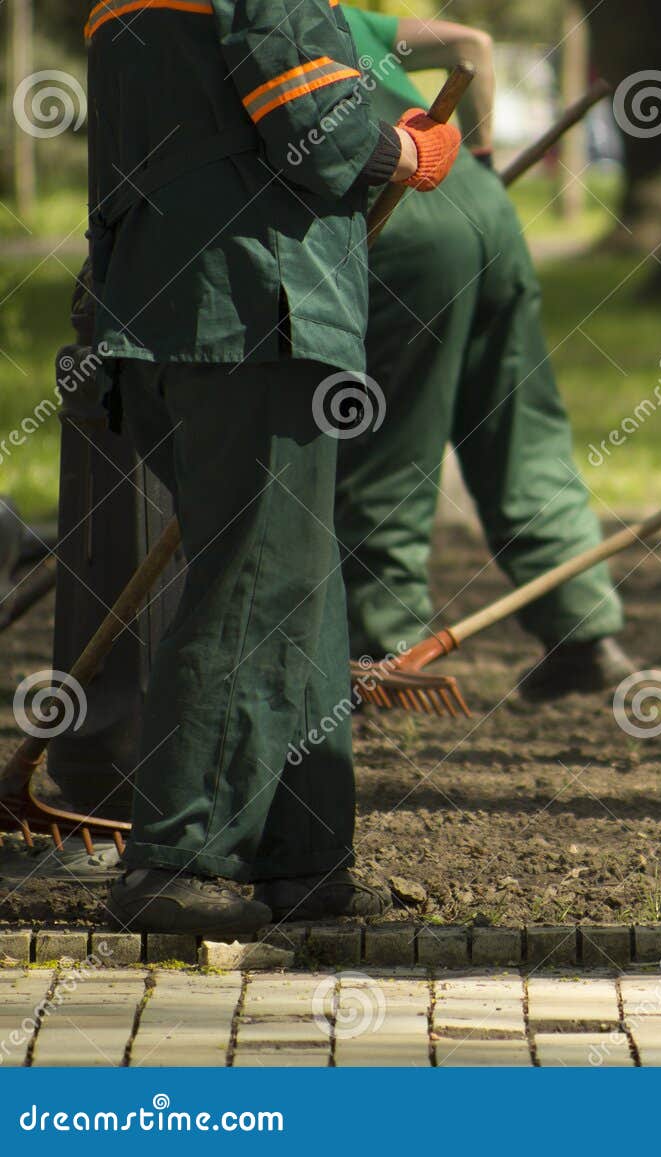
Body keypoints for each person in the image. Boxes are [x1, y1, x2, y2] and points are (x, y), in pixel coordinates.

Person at [88, 0, 460, 935]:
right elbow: (317, 136)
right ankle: (178, 858)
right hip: (254, 307)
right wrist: (409, 155)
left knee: (296, 585)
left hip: (165, 312)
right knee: (252, 582)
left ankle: (302, 857)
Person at [333, 6, 637, 699]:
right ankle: (582, 627)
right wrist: (480, 159)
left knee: (382, 439)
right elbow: (473, 45)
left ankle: (380, 652)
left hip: (397, 217)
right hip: (481, 207)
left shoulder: (238, 26)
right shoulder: (342, 16)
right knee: (518, 424)